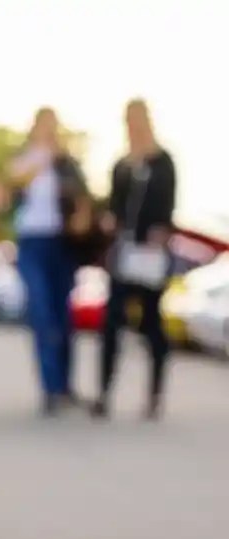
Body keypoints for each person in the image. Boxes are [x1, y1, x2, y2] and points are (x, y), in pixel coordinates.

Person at [91, 99, 177, 420]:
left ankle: (154, 395)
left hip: (152, 253)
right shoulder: (122, 165)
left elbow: (168, 204)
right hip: (125, 251)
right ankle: (103, 392)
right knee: (111, 321)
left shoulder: (163, 162)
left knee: (151, 323)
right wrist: (109, 221)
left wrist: (161, 230)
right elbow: (114, 204)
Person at [7, 107, 91, 415]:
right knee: (41, 313)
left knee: (63, 316)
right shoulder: (24, 158)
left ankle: (65, 385)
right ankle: (50, 388)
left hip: (62, 243)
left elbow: (83, 199)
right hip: (31, 241)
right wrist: (40, 159)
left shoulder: (67, 163)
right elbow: (15, 185)